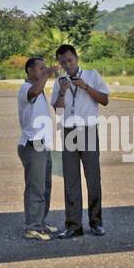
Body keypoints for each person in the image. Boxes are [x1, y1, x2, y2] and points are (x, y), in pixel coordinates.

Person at [52, 43, 110, 238]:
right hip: (68, 131)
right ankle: (73, 225)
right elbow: (58, 111)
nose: (67, 65)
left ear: (76, 58)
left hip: (88, 129)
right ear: (59, 64)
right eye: (63, 62)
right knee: (71, 179)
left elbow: (104, 100)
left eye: (70, 60)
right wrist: (62, 91)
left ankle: (96, 222)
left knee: (93, 178)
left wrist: (85, 87)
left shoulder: (92, 75)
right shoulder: (59, 81)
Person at [17, 56, 57, 241]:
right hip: (33, 145)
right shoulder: (27, 88)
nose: (44, 70)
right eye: (40, 68)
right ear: (30, 71)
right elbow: (34, 91)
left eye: (45, 68)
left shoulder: (39, 90)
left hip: (43, 144)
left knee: (45, 186)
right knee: (35, 188)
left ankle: (40, 221)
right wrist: (47, 75)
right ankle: (32, 227)